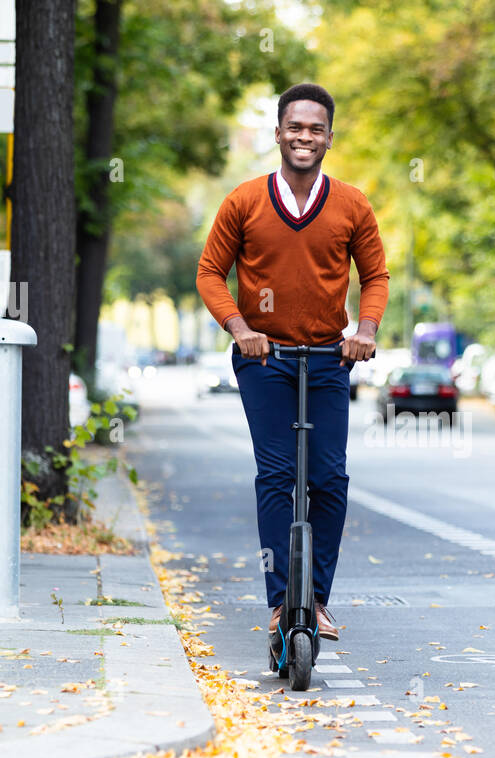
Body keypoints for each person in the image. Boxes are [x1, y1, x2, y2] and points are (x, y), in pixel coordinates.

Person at [196, 82, 389, 642]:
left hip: (330, 360)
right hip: (265, 361)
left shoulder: (352, 203)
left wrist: (366, 330)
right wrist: (240, 327)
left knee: (329, 479)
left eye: (316, 128)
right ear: (278, 133)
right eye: (295, 127)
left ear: (330, 137)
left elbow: (374, 275)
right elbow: (211, 271)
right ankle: (282, 602)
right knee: (278, 477)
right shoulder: (245, 201)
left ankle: (318, 600)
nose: (305, 137)